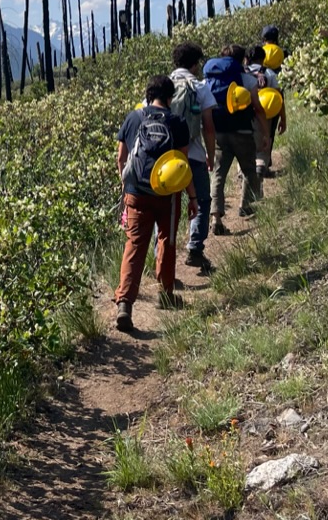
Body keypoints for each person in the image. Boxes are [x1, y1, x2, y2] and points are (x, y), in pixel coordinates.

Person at [114, 75, 192, 328]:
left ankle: (124, 302)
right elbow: (182, 165)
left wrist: (127, 186)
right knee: (166, 241)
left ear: (148, 94)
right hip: (167, 194)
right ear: (170, 98)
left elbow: (121, 157)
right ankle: (166, 295)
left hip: (136, 192)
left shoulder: (133, 117)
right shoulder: (177, 122)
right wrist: (193, 196)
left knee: (134, 245)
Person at [204, 45, 268, 235]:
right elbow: (257, 108)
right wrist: (265, 133)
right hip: (242, 132)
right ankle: (245, 205)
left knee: (218, 174)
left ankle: (215, 217)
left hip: (219, 132)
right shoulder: (247, 80)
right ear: (242, 60)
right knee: (249, 170)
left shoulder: (209, 81)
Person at [170, 42, 217, 272]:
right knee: (201, 200)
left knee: (168, 209)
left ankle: (163, 259)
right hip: (195, 154)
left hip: (167, 160)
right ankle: (195, 248)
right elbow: (208, 127)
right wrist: (210, 155)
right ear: (194, 63)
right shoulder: (200, 87)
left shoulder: (162, 86)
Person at [247, 45, 287, 177]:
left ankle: (244, 171)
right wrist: (283, 118)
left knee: (246, 146)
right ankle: (261, 168)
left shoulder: (242, 72)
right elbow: (278, 97)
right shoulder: (269, 73)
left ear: (246, 59)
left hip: (243, 115)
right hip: (265, 113)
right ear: (263, 59)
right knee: (262, 146)